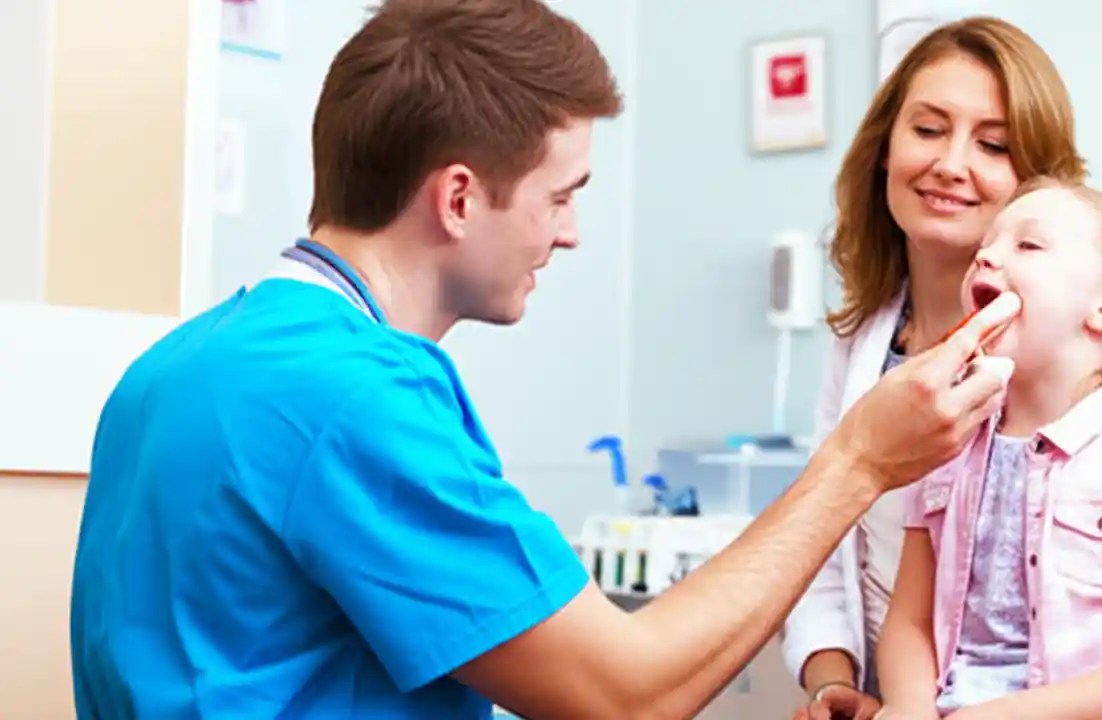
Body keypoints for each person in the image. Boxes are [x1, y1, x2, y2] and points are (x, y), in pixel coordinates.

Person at [67, 2, 1022, 719]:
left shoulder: (177, 367)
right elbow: (625, 694)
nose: (569, 233)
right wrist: (859, 460)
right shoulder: (355, 399)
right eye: (561, 197)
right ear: (457, 199)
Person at [785, 16, 1102, 720]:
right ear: (885, 148)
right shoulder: (866, 348)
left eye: (993, 144)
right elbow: (821, 538)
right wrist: (842, 684)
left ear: (1033, 178)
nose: (950, 164)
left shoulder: (1097, 382)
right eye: (928, 129)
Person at [876, 176, 1102, 719]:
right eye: (986, 246)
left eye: (1027, 245)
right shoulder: (945, 440)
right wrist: (908, 707)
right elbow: (909, 620)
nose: (985, 257)